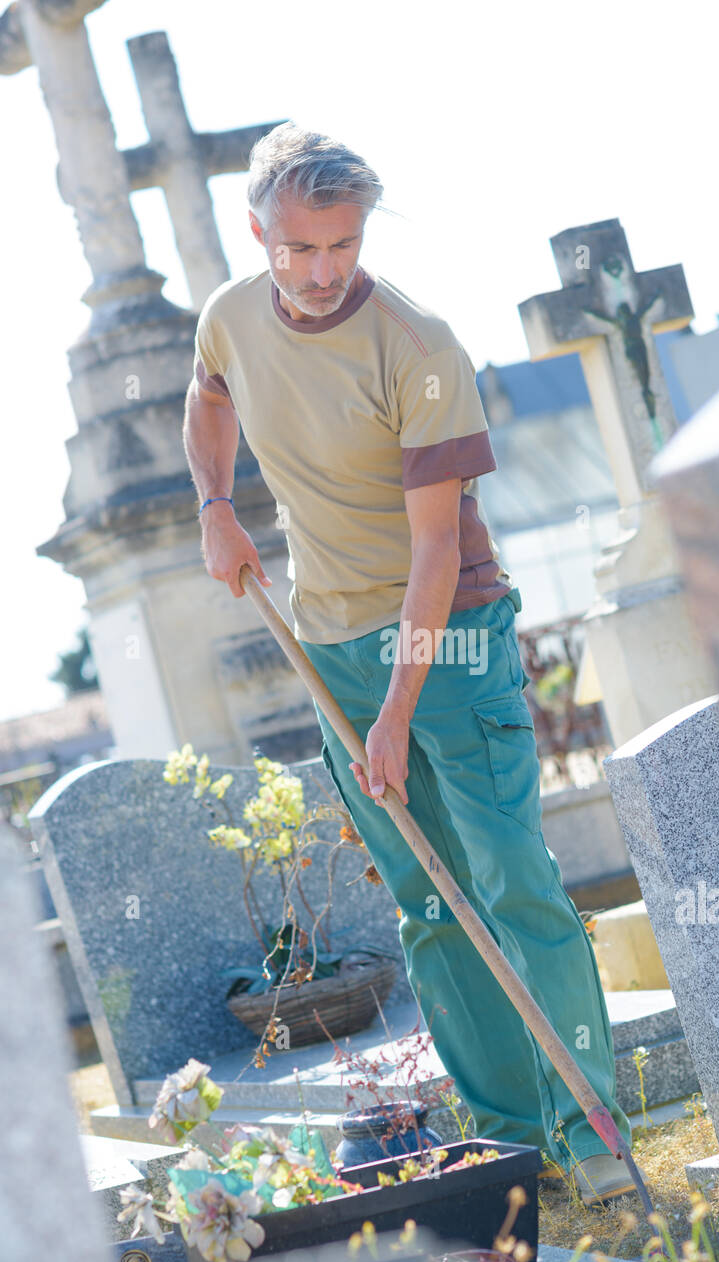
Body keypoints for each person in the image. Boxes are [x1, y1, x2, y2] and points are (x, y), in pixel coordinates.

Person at [182, 121, 639, 1204]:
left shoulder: (418, 346)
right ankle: (509, 1137)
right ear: (259, 233)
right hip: (332, 643)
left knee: (512, 882)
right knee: (429, 907)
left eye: (342, 245)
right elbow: (209, 396)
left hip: (451, 638)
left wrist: (395, 709)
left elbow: (437, 546)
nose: (322, 269)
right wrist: (214, 503)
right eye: (299, 249)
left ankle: (594, 1131)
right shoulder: (230, 318)